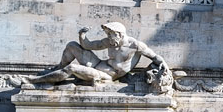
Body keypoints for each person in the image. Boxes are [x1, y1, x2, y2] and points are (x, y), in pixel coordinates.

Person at [29, 22, 168, 86]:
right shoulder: (109, 42)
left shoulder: (136, 45)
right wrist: (82, 35)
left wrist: (164, 66)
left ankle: (34, 81)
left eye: (110, 34)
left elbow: (155, 57)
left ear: (119, 34)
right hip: (98, 64)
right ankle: (57, 69)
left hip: (108, 75)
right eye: (107, 34)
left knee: (71, 69)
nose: (108, 37)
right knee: (72, 46)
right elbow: (88, 46)